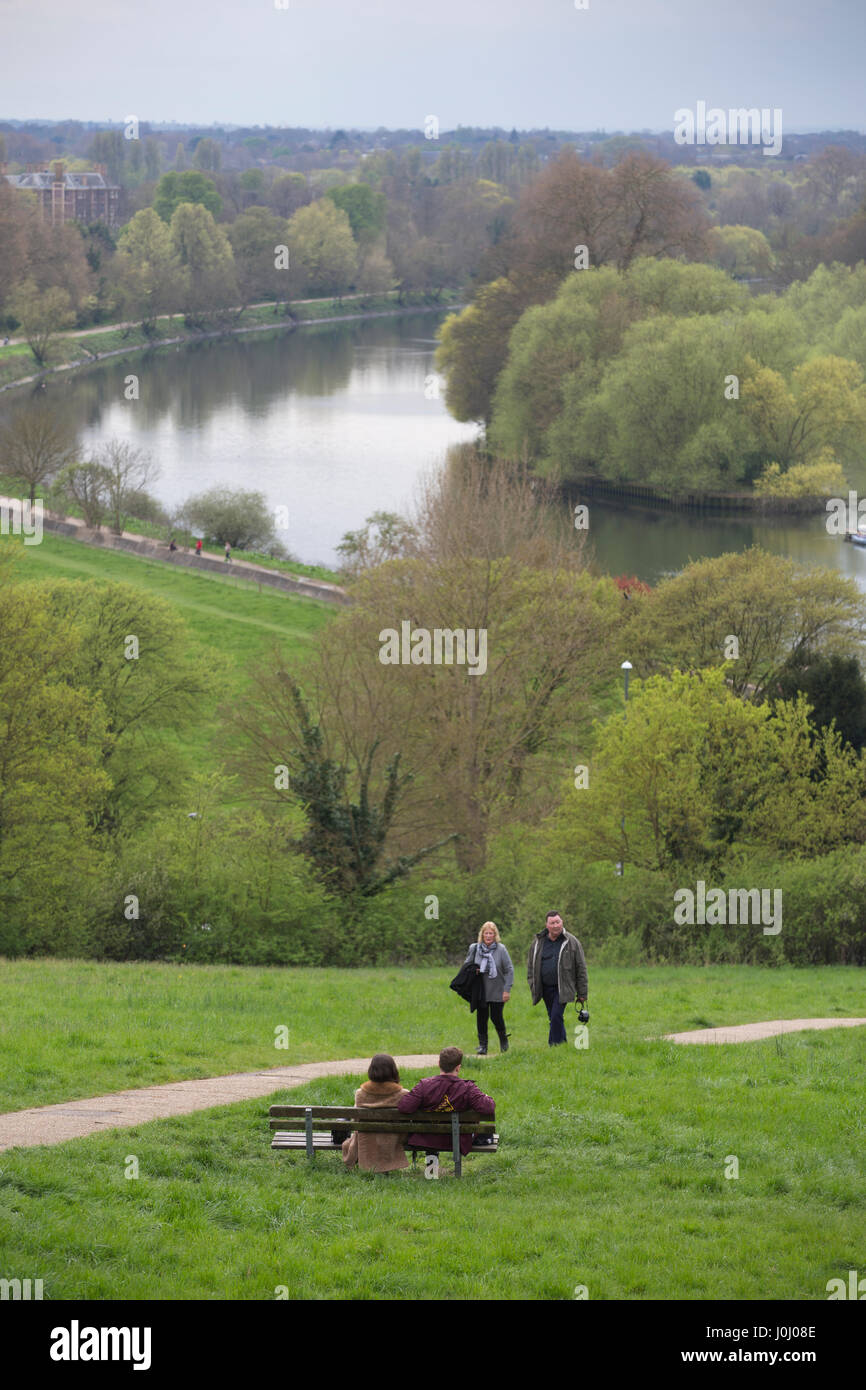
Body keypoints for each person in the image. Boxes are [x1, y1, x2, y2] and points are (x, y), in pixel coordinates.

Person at [398, 1046, 494, 1160]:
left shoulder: (424, 1086)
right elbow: (488, 1107)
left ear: (439, 1063)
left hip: (427, 1138)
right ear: (458, 1068)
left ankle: (432, 1168)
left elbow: (404, 1107)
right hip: (456, 1139)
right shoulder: (468, 1088)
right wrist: (487, 1097)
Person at [527, 911, 588, 1047]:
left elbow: (581, 968)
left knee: (555, 1016)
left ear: (562, 923)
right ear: (547, 925)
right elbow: (530, 967)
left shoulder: (572, 942)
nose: (555, 925)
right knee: (554, 1018)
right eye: (552, 923)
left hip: (564, 988)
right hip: (545, 988)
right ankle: (562, 1044)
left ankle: (553, 1045)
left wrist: (582, 993)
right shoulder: (538, 943)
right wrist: (533, 984)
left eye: (558, 922)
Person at [341, 1053, 409, 1174]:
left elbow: (355, 1120)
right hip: (392, 1140)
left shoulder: (360, 1093)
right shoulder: (403, 1094)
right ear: (393, 1071)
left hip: (366, 1139)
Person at [463, 921, 513, 1055]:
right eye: (486, 933)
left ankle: (503, 1042)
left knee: (496, 1017)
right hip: (481, 990)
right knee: (482, 1017)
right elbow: (467, 966)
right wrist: (474, 970)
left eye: (491, 933)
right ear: (482, 935)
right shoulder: (475, 948)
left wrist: (507, 990)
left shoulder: (501, 949)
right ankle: (482, 1046)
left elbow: (509, 970)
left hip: (498, 990)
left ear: (495, 935)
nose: (489, 935)